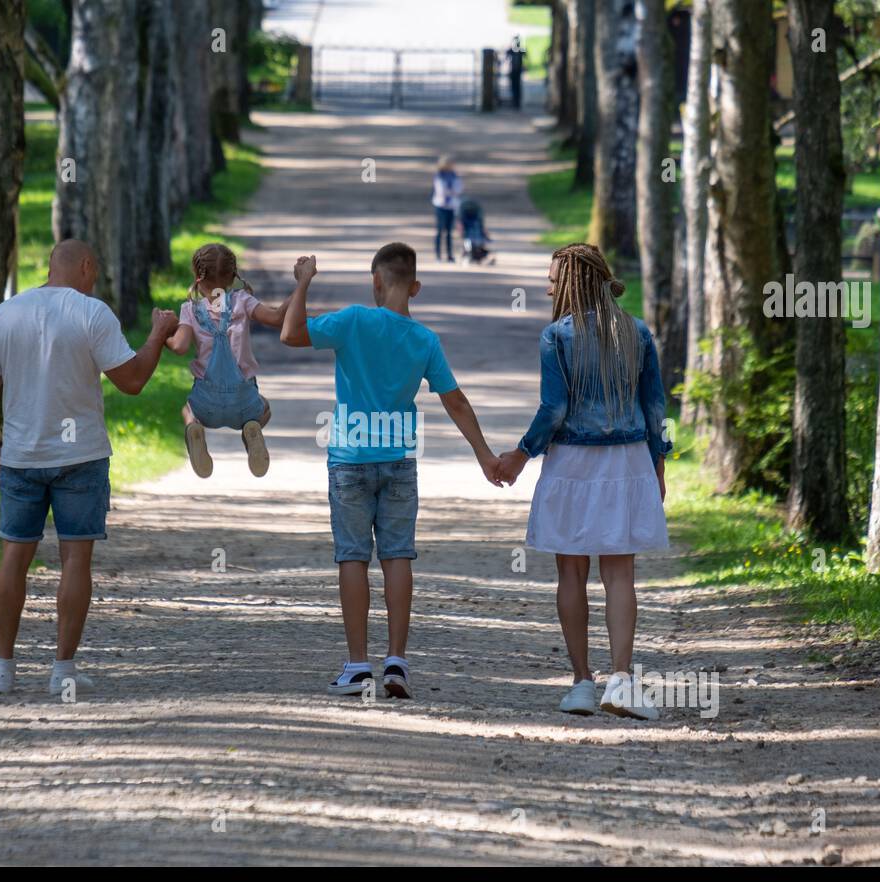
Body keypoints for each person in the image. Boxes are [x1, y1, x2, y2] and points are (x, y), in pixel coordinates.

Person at [280, 242, 502, 699]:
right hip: (399, 461)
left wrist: (303, 281)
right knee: (398, 555)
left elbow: (291, 333)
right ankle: (396, 661)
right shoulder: (424, 340)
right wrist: (484, 455)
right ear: (415, 287)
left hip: (349, 461)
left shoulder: (352, 320)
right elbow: (455, 401)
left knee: (353, 557)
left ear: (375, 283)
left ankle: (358, 665)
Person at [0, 239, 179, 695]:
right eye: (95, 271)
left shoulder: (6, 314)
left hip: (21, 455)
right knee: (75, 558)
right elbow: (133, 381)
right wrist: (157, 334)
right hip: (79, 456)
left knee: (14, 555)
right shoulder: (92, 313)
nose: (95, 280)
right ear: (85, 265)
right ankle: (62, 670)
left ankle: (1, 670)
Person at [495, 243, 671, 720]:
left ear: (575, 282)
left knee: (571, 573)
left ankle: (580, 684)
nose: (549, 286)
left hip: (572, 463)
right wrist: (659, 464)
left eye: (554, 278)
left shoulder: (558, 336)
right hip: (628, 462)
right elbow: (656, 409)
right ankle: (621, 681)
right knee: (620, 575)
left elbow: (554, 410)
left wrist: (521, 453)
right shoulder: (637, 333)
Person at [164, 242, 292, 478]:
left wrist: (163, 335)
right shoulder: (243, 300)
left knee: (188, 410)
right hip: (243, 398)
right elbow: (276, 318)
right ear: (233, 277)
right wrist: (300, 285)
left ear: (198, 277)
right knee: (264, 408)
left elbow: (180, 347)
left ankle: (194, 428)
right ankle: (251, 430)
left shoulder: (190, 309)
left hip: (206, 401)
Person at [430, 156, 463, 262]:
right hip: (441, 205)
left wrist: (451, 191)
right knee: (440, 230)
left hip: (451, 205)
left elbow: (459, 189)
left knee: (449, 231)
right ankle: (438, 255)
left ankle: (449, 255)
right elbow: (441, 190)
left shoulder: (454, 176)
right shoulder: (439, 176)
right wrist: (450, 191)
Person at [459, 197, 494, 265]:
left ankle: (479, 256)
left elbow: (482, 228)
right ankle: (470, 256)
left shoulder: (477, 222)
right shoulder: (467, 221)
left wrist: (486, 235)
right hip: (470, 238)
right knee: (469, 245)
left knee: (479, 245)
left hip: (477, 239)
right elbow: (461, 225)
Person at [506, 36, 525, 111]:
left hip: (517, 72)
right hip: (514, 71)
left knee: (516, 87)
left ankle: (517, 102)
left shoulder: (520, 51)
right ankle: (515, 101)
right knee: (514, 87)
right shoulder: (514, 51)